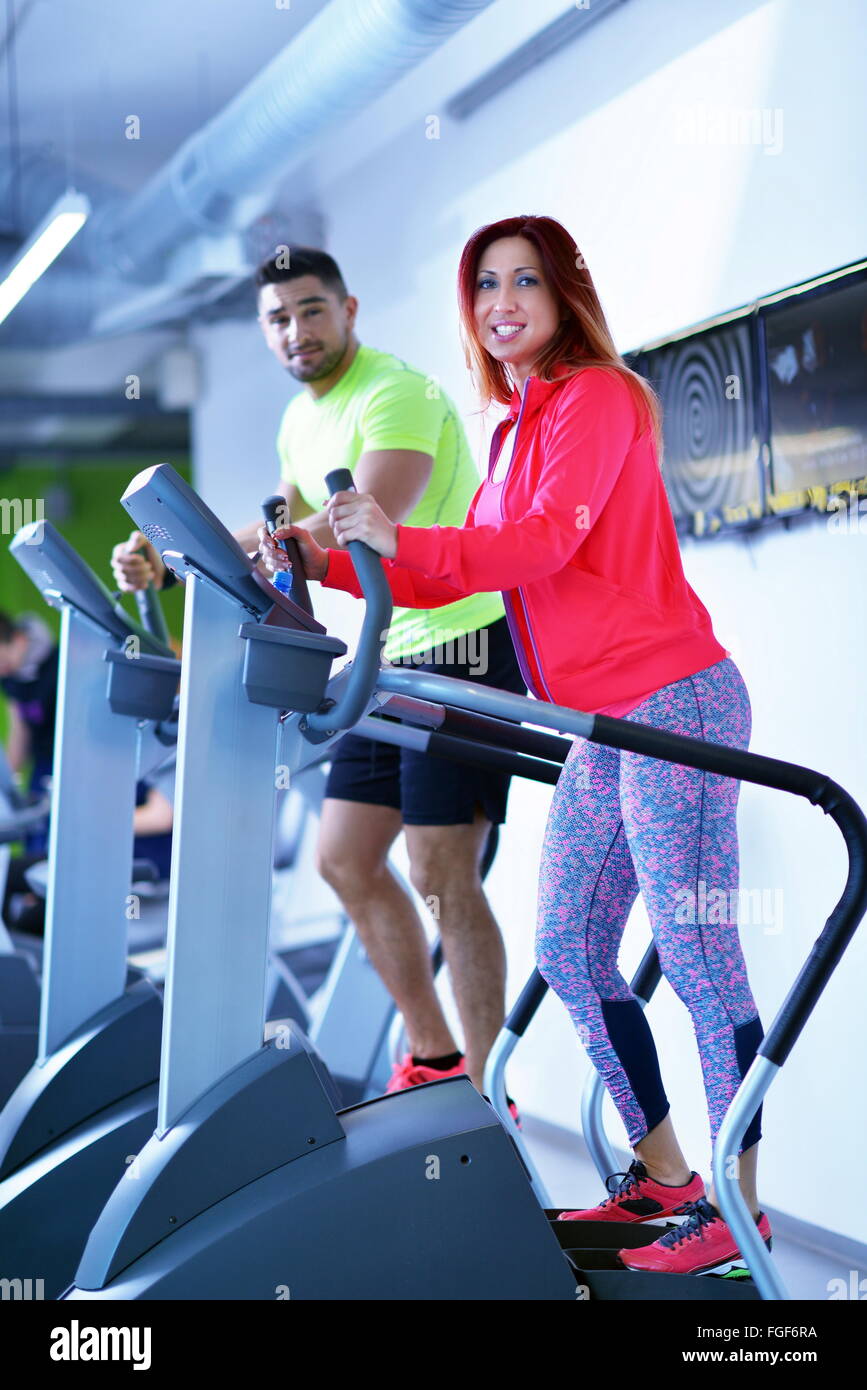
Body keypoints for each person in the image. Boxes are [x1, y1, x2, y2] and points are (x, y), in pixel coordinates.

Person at [260, 215, 771, 1279]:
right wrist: (337, 563)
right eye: (484, 285)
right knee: (574, 954)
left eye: (524, 281)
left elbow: (545, 539)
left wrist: (390, 537)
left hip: (675, 703)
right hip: (606, 724)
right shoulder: (514, 428)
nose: (502, 302)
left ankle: (739, 1208)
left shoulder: (598, 396)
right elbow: (462, 570)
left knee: (695, 950)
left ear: (565, 290)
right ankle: (667, 1178)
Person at [111, 246, 526, 1096]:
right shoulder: (300, 421)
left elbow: (370, 516)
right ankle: (435, 1056)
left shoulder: (394, 392)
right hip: (390, 660)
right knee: (343, 857)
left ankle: (488, 1090)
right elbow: (283, 529)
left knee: (441, 871)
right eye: (277, 317)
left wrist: (274, 547)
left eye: (309, 309)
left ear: (348, 309)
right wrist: (173, 556)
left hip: (465, 648)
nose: (295, 329)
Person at [0, 610, 58, 855]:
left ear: (19, 640)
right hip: (41, 767)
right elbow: (19, 731)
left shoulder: (59, 664)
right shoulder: (11, 678)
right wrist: (6, 787)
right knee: (34, 842)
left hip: (71, 765)